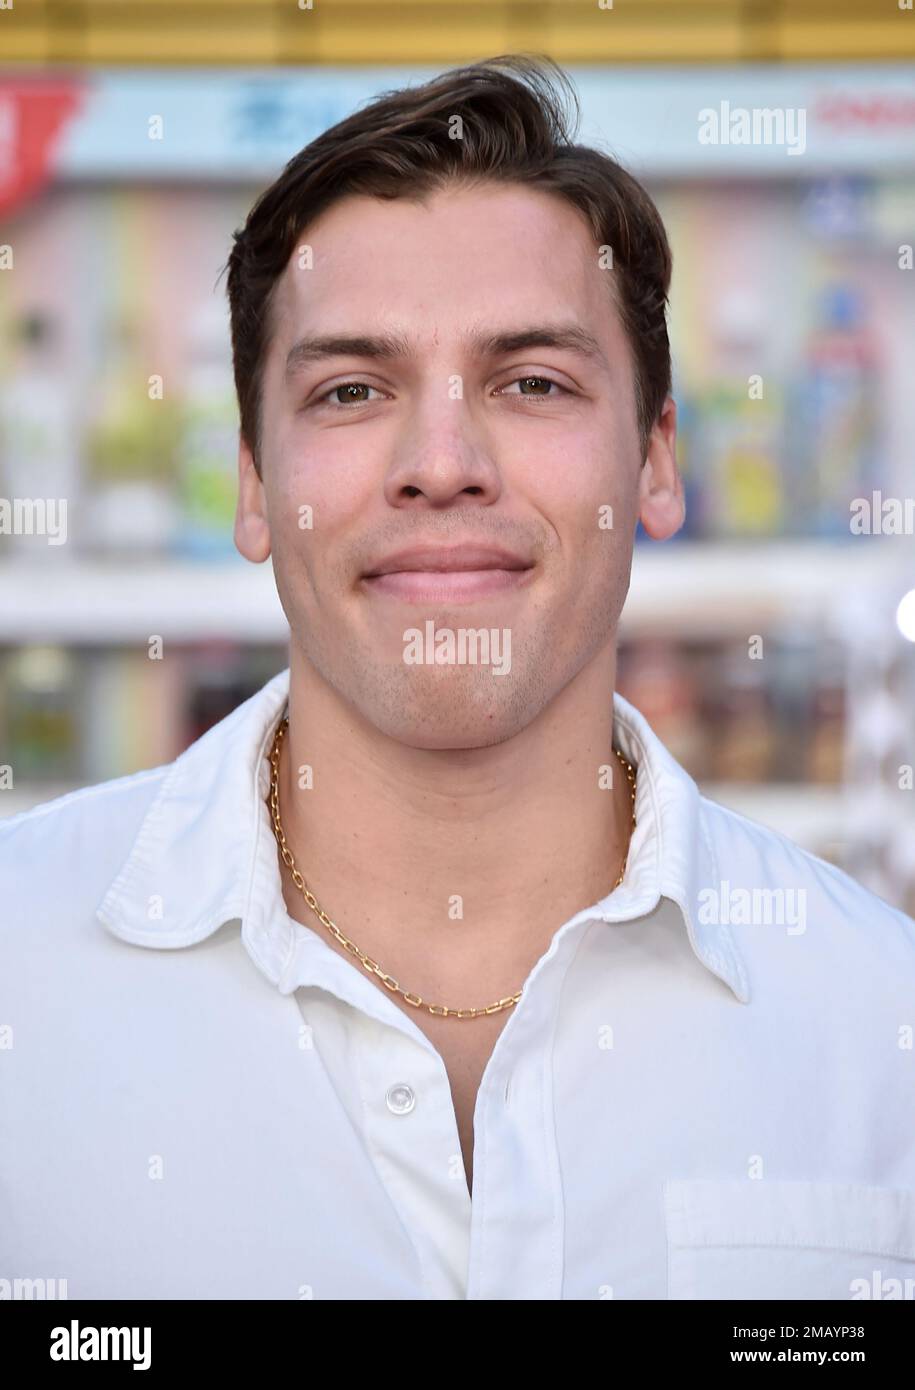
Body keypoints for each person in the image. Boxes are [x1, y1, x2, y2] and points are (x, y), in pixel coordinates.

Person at [2, 56, 914, 1302]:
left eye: (532, 381)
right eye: (352, 389)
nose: (441, 462)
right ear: (256, 485)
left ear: (657, 461)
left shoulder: (879, 1027)